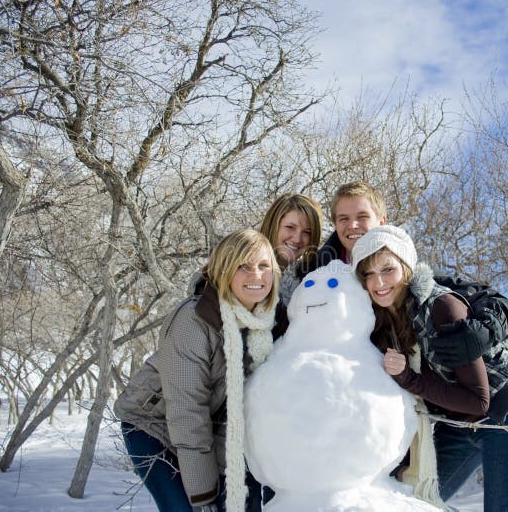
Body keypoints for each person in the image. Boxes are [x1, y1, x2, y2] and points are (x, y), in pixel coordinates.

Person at [352, 225, 508, 512]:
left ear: (406, 267)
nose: (378, 282)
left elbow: (479, 400)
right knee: (414, 500)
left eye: (387, 269)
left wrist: (408, 378)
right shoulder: (385, 317)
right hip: (458, 421)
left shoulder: (442, 308)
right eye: (368, 273)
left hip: (507, 414)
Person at [114, 229, 280, 512]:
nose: (256, 275)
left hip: (212, 429)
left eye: (264, 266)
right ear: (224, 271)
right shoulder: (194, 321)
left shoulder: (266, 323)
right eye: (243, 266)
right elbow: (188, 413)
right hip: (155, 427)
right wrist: (204, 497)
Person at [299, 180, 387, 273]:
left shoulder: (400, 270)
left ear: (381, 222)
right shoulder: (313, 271)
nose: (352, 226)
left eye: (362, 217)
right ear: (335, 224)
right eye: (344, 218)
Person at [259, 193, 323, 307]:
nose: (297, 239)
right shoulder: (243, 270)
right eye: (290, 227)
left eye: (307, 232)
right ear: (274, 225)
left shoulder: (313, 281)